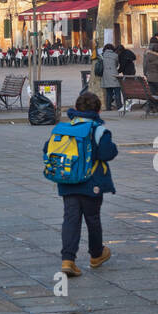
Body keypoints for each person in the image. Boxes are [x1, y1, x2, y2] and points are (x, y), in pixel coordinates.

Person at [46, 91, 117, 277]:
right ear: (98, 110)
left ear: (76, 109)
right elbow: (107, 154)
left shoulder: (65, 128)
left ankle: (68, 259)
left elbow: (48, 148)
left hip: (67, 181)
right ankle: (96, 254)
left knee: (70, 219)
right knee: (92, 219)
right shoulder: (97, 129)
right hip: (90, 182)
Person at [98, 43, 121, 110]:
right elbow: (116, 65)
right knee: (117, 92)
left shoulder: (102, 55)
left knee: (108, 93)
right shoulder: (115, 55)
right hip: (114, 75)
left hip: (105, 75)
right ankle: (119, 106)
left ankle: (108, 107)